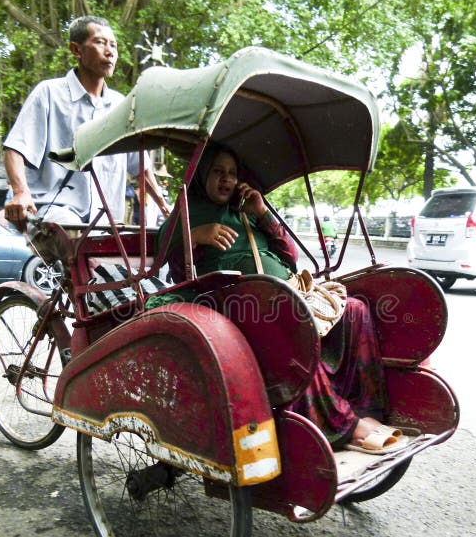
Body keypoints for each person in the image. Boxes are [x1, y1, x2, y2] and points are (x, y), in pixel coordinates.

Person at [158, 144, 399, 452]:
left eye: (232, 174)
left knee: (355, 310)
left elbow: (291, 256)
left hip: (284, 291)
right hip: (235, 304)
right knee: (291, 322)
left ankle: (365, 408)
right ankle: (344, 424)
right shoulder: (189, 209)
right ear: (203, 174)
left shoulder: (246, 208)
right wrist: (196, 234)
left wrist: (261, 212)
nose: (226, 180)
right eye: (218, 172)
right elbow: (160, 250)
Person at [2, 15, 169, 231]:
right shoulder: (49, 93)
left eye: (113, 45)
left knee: (139, 255)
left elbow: (142, 168)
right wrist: (20, 192)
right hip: (57, 212)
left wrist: (165, 207)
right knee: (76, 241)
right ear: (76, 50)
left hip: (106, 223)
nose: (110, 51)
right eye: (100, 42)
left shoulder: (122, 106)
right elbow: (15, 148)